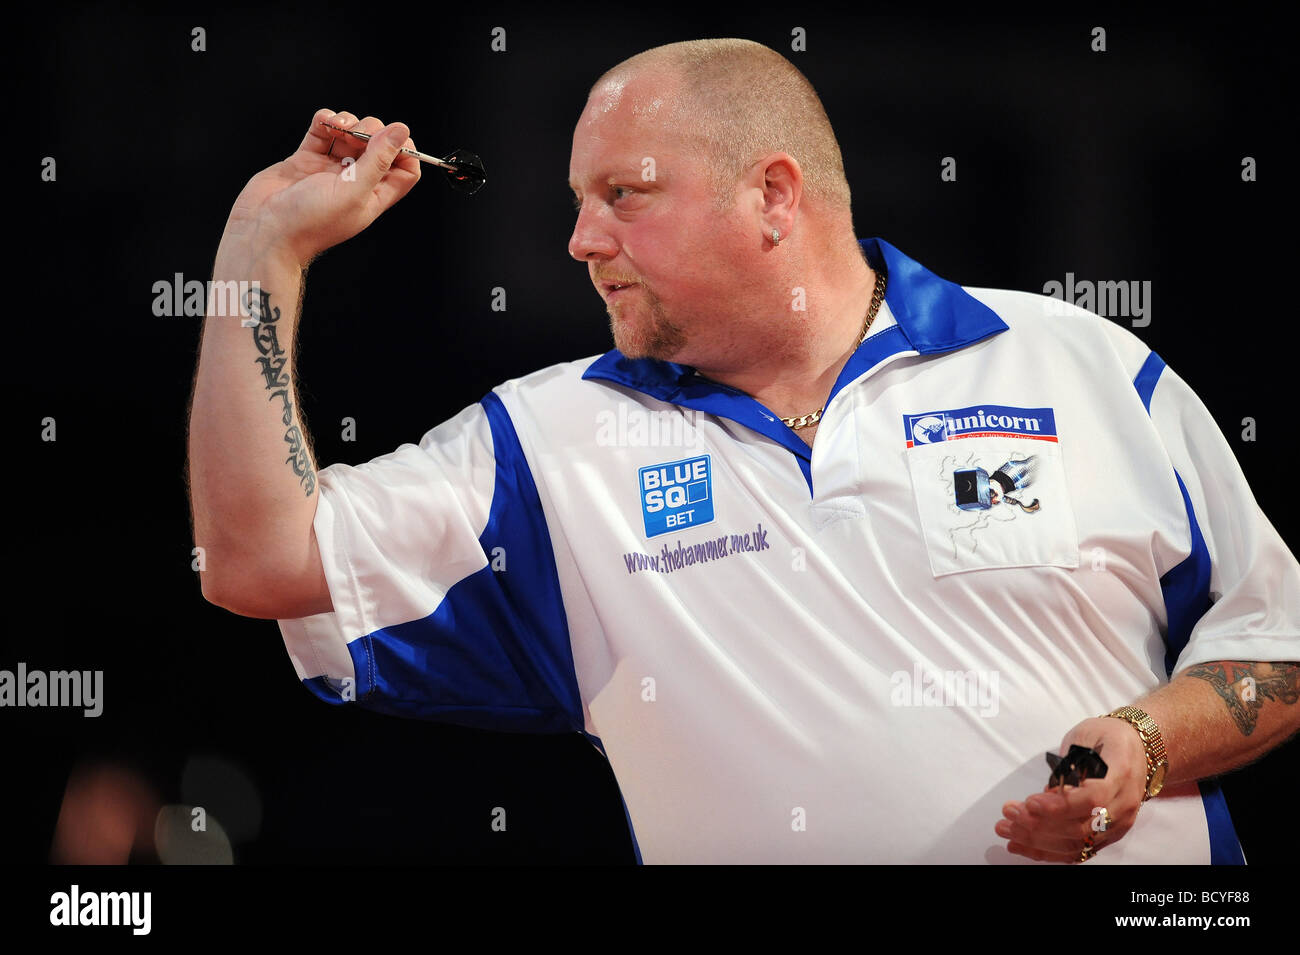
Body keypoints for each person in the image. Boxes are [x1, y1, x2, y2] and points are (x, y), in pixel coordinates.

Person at [187, 38, 1300, 864]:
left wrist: (1145, 745)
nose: (582, 241)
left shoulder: (1078, 365)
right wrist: (256, 254)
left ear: (771, 194)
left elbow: (1279, 651)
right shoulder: (547, 443)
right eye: (580, 202)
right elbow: (256, 559)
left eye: (624, 195)